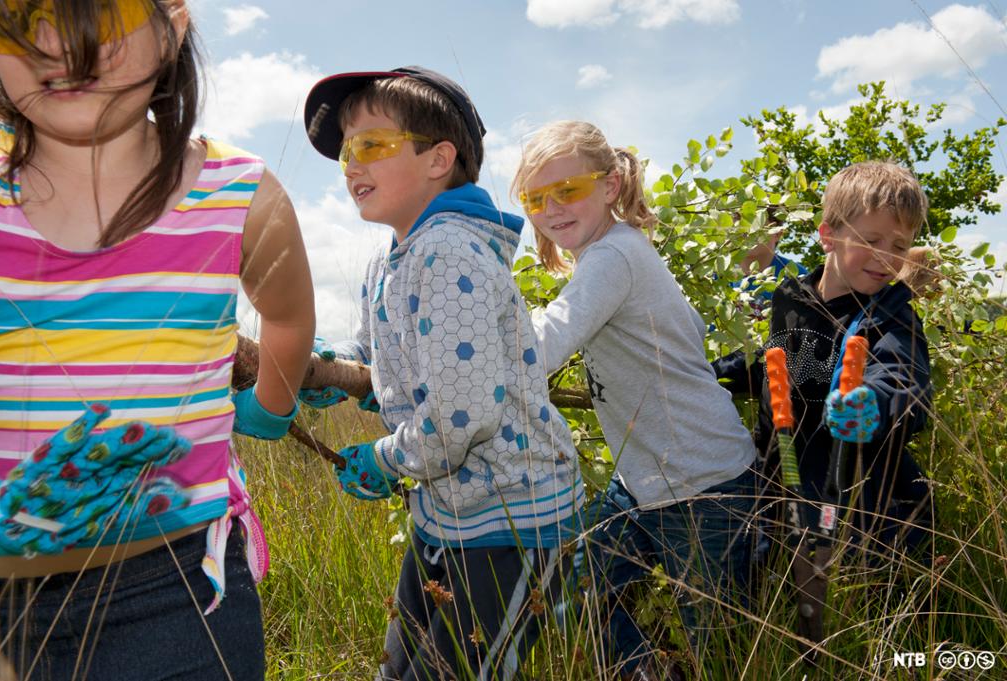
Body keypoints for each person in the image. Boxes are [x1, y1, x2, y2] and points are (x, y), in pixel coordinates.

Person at [0, 2, 315, 679]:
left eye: (102, 10)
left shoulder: (242, 195)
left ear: (174, 20)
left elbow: (286, 316)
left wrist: (269, 408)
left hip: (179, 593)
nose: (60, 40)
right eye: (17, 12)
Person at [301, 67, 583, 680]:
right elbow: (390, 365)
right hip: (447, 514)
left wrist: (385, 459)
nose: (351, 165)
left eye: (370, 145)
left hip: (514, 521)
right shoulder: (394, 257)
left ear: (439, 159)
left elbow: (463, 415)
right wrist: (328, 369)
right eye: (346, 152)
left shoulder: (449, 250)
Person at [512, 120, 757, 680]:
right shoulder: (616, 254)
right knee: (582, 585)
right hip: (642, 482)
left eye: (568, 190)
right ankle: (649, 671)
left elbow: (541, 349)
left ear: (610, 186)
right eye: (535, 198)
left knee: (720, 648)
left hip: (703, 484)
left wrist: (473, 327)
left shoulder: (612, 256)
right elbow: (690, 328)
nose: (552, 208)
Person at [714, 161, 934, 566]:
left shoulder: (891, 316)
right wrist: (713, 374)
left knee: (860, 608)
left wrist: (873, 403)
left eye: (900, 246)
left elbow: (905, 382)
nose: (886, 258)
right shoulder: (787, 298)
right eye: (872, 240)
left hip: (857, 503)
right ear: (828, 237)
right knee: (765, 597)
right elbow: (775, 361)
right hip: (777, 488)